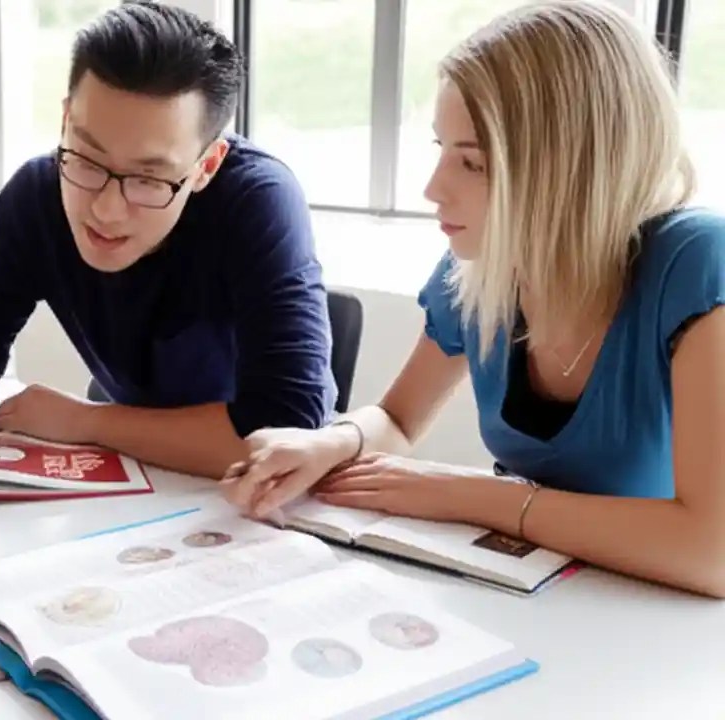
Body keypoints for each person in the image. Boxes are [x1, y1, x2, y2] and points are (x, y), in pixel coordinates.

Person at [224, 1, 725, 598]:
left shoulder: (696, 264)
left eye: (473, 163)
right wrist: (332, 442)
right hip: (539, 594)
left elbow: (710, 551)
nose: (433, 188)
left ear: (571, 170)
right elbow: (399, 419)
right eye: (441, 148)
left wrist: (464, 494)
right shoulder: (482, 267)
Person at [0, 1, 336, 479]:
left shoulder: (257, 201)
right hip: (137, 478)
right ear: (65, 121)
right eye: (86, 158)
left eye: (148, 180)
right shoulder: (39, 192)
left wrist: (86, 421)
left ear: (206, 166)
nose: (105, 210)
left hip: (257, 501)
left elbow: (285, 432)